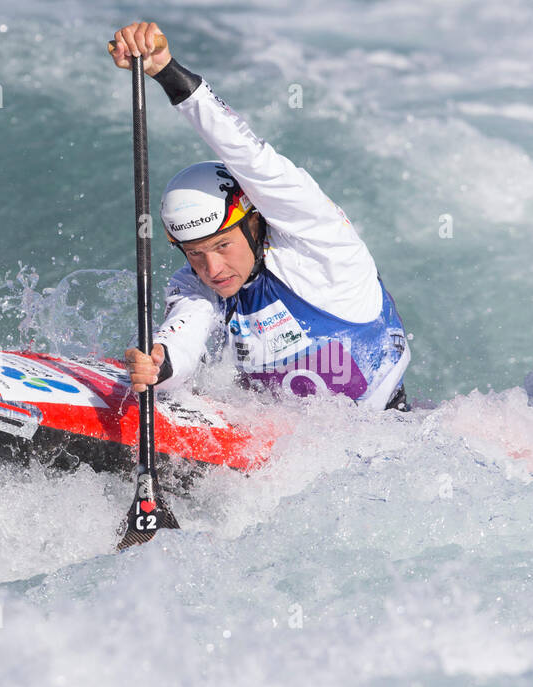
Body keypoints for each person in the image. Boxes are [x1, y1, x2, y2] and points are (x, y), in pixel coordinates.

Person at [109, 22, 411, 412]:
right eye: (195, 253)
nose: (212, 268)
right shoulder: (196, 284)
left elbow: (249, 157)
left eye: (222, 245)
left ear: (253, 224)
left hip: (389, 429)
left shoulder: (320, 245)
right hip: (287, 447)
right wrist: (159, 364)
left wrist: (165, 70)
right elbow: (184, 332)